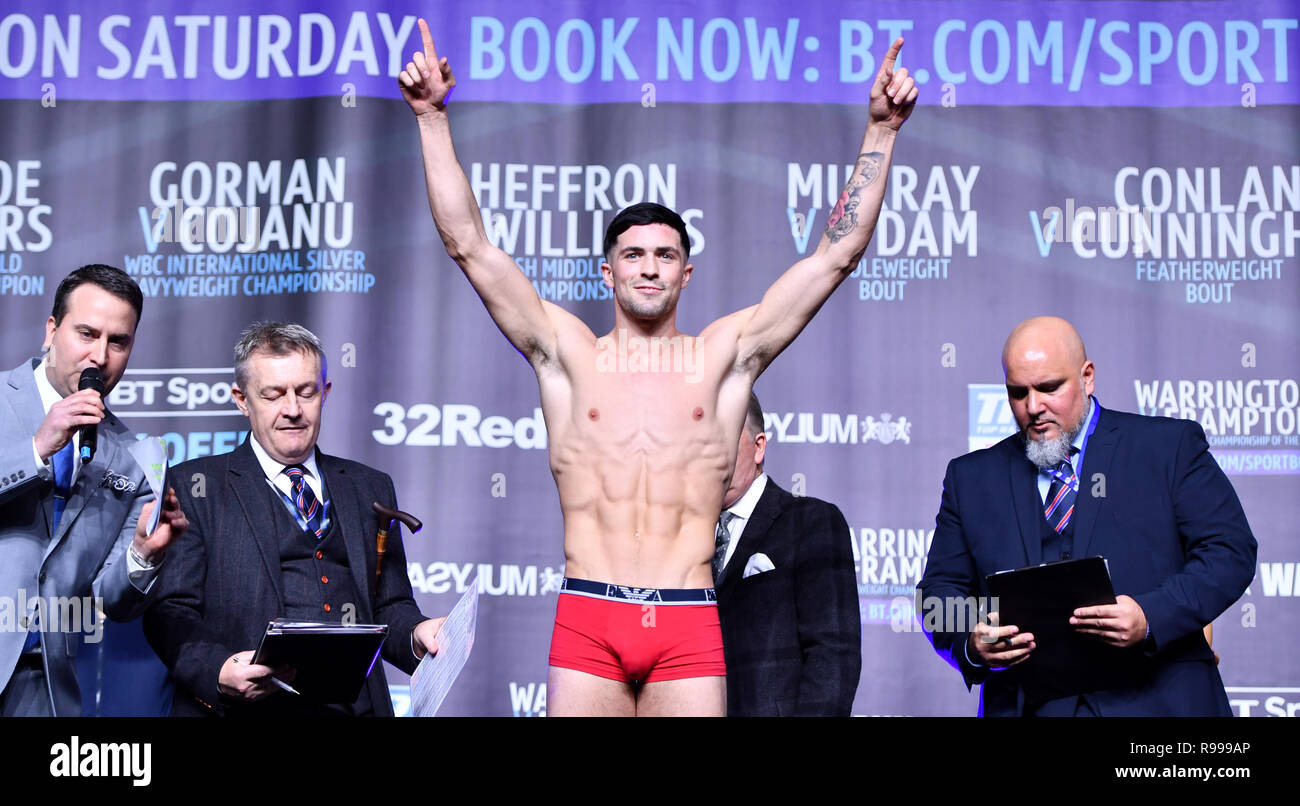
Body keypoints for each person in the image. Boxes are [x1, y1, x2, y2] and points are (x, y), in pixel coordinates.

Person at [399, 18, 916, 716]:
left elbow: (834, 257)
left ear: (686, 272)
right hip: (590, 614)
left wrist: (880, 132)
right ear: (607, 271)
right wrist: (431, 119)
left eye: (665, 255)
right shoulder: (566, 353)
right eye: (634, 255)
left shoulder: (725, 358)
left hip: (686, 619)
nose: (649, 267)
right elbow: (470, 246)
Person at [918, 316, 1256, 716]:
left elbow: (1229, 551)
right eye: (1018, 393)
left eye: (1049, 388)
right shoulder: (971, 477)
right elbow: (938, 592)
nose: (1033, 407)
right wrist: (971, 642)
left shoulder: (1168, 447)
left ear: (1087, 377)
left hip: (1160, 706)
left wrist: (1150, 615)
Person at [143, 323, 444, 716]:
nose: (292, 409)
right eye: (273, 394)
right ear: (242, 400)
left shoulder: (370, 486)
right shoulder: (194, 487)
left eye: (306, 392)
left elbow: (389, 607)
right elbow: (170, 612)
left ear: (325, 393)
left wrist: (418, 634)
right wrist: (219, 669)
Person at [0, 264, 185, 716]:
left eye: (117, 341)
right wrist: (36, 449)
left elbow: (111, 602)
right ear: (51, 331)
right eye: (86, 334)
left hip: (43, 689)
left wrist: (144, 554)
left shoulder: (130, 457)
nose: (99, 356)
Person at [714, 392, 860, 716]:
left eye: (722, 439)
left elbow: (833, 656)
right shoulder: (682, 538)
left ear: (759, 447)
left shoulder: (811, 522)